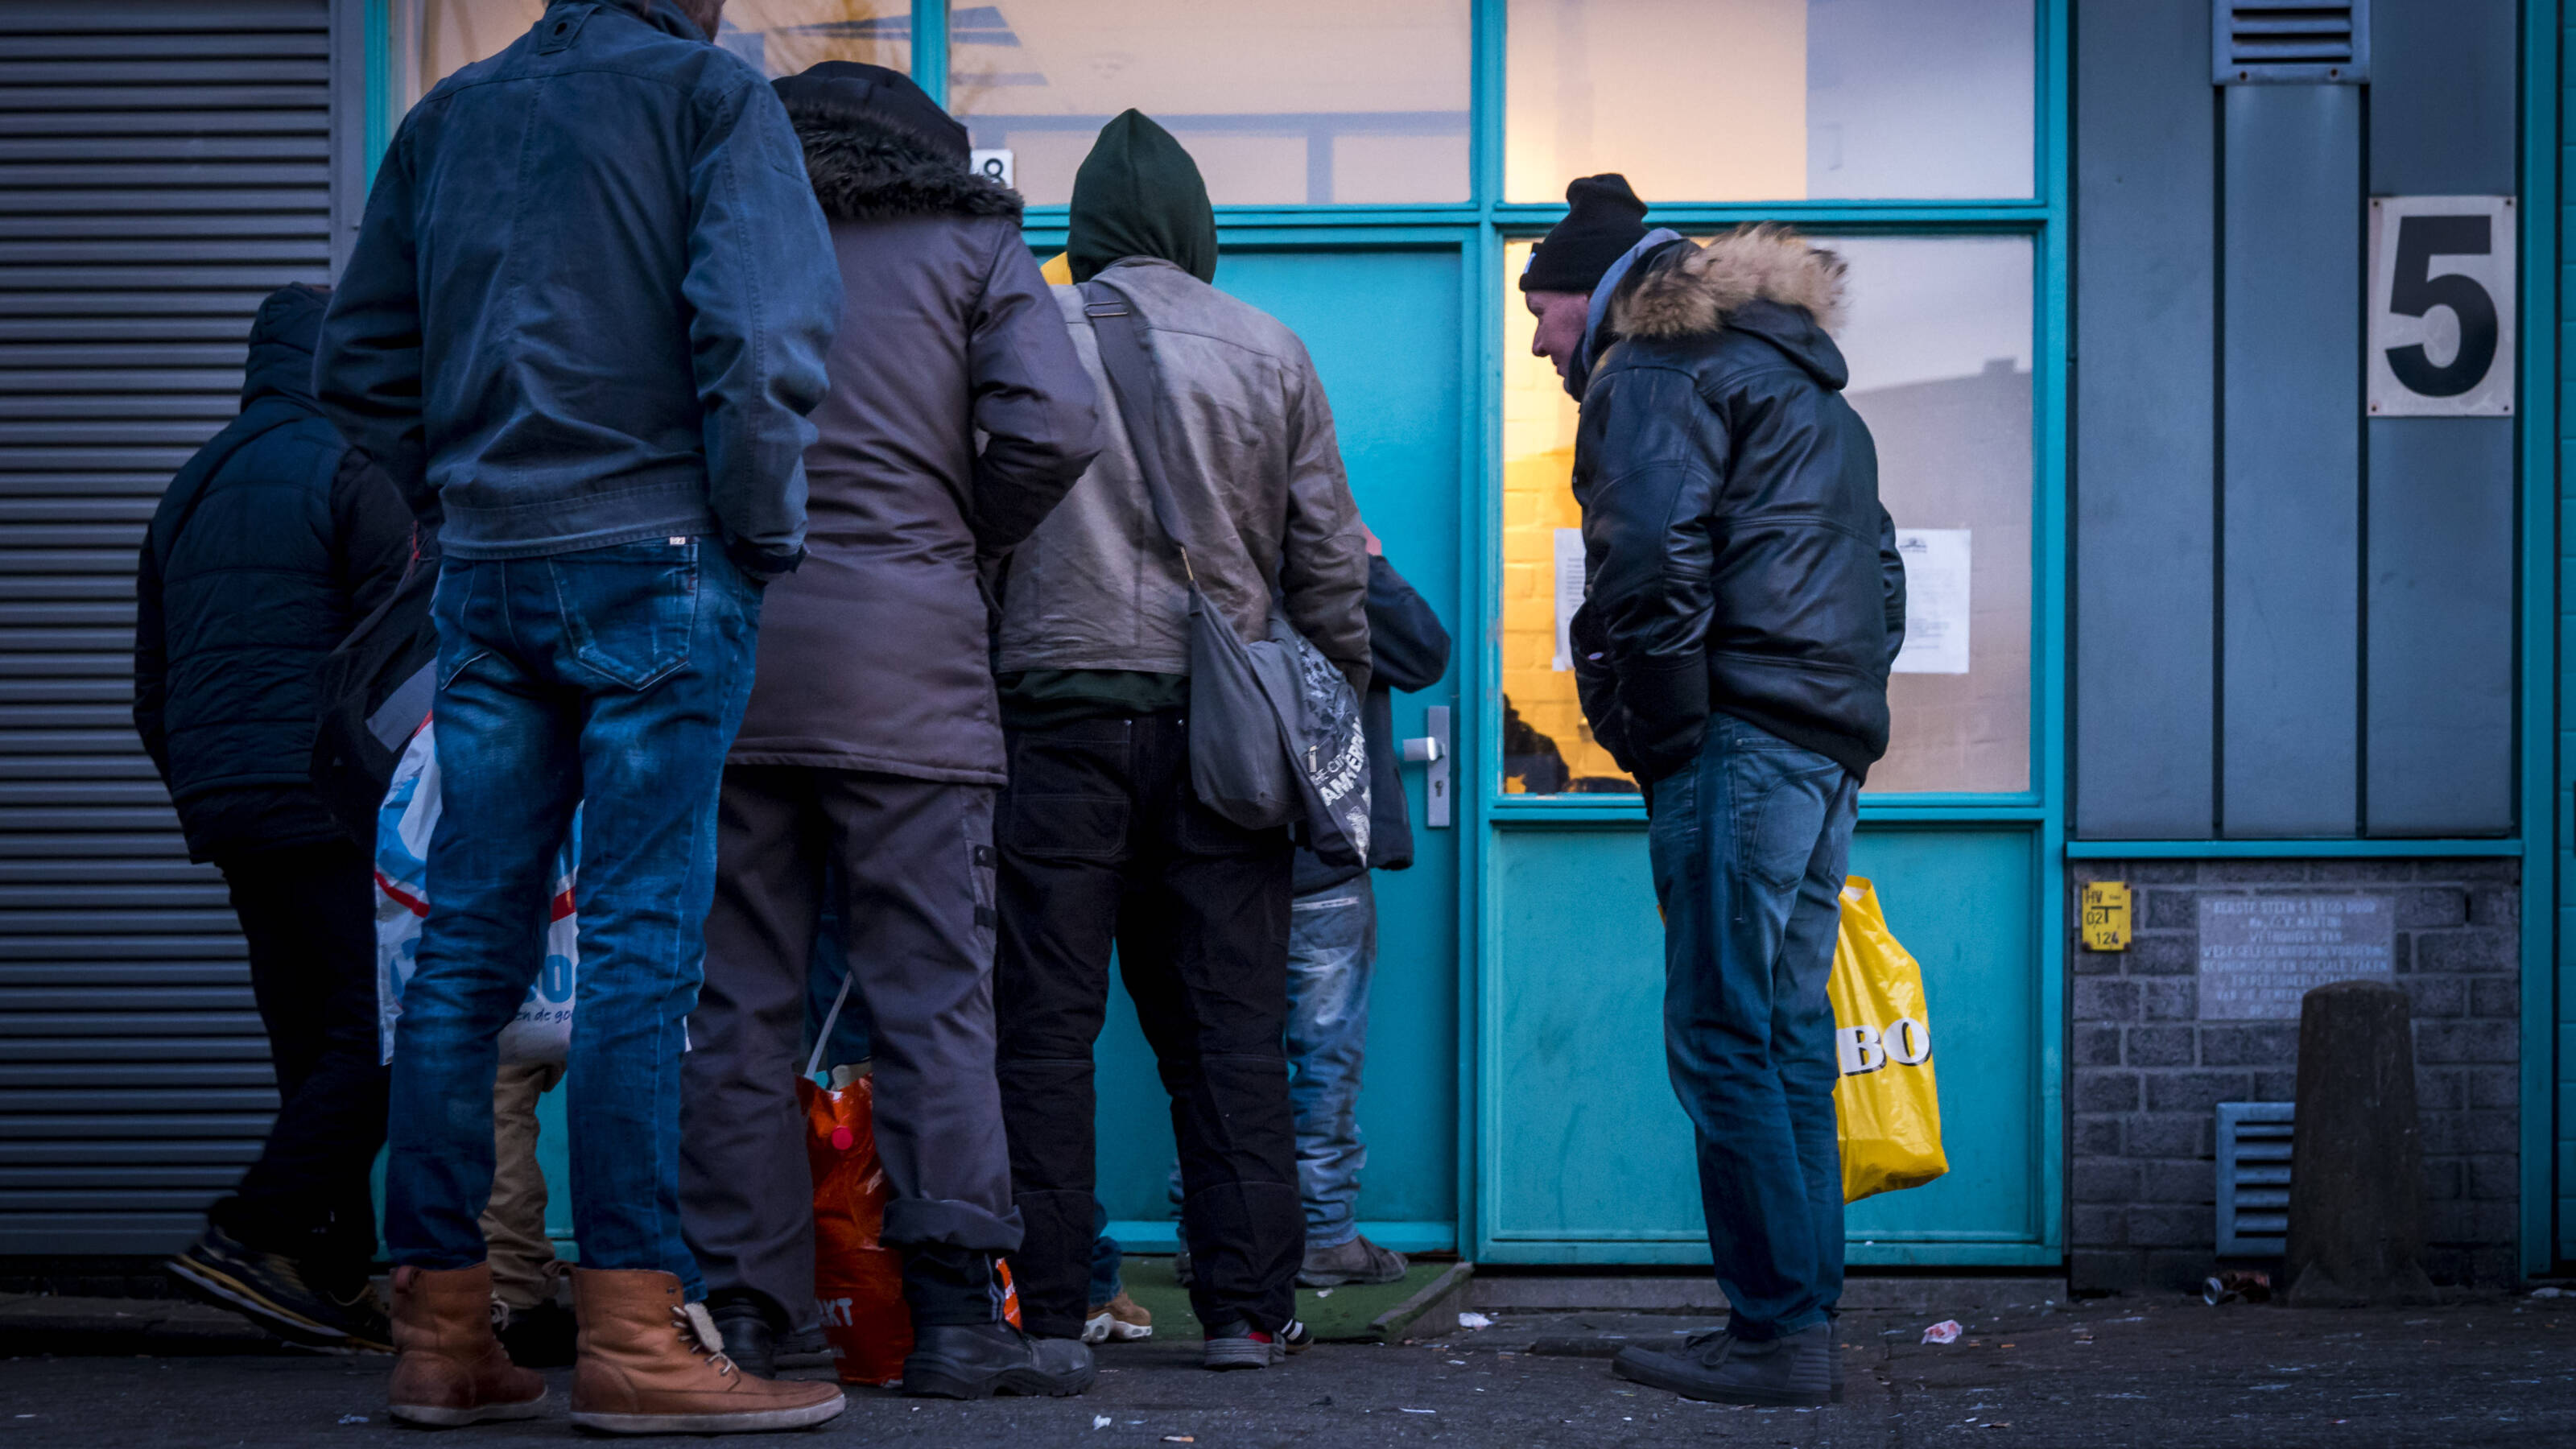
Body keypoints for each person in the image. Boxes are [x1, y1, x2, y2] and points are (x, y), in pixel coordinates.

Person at [315, 0, 844, 1431]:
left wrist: (467, 507)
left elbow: (356, 367)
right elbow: (763, 338)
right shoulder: (711, 102)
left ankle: (439, 1335)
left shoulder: (448, 116)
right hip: (661, 555)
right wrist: (749, 533)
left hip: (491, 567)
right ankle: (633, 1336)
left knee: (466, 953)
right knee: (639, 952)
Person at [677, 60, 1103, 1400]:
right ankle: (961, 1324)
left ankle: (753, 1319)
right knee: (934, 999)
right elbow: (1056, 424)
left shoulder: (719, 231)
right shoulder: (974, 242)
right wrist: (956, 538)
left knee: (736, 1002)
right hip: (913, 680)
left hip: (734, 659)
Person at [990, 109, 1371, 1373]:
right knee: (1227, 1036)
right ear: (1197, 233)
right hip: (1223, 747)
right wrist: (1328, 718)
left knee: (1041, 1034)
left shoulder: (1024, 334)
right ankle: (1249, 1315)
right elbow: (1327, 568)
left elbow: (973, 528)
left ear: (1086, 234)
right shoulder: (1270, 349)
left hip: (1053, 728)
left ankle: (1047, 1315)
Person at [1528, 175, 1905, 1408]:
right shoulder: (1806, 390)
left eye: (1544, 306)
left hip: (1736, 743)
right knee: (1785, 1031)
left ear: (1604, 290)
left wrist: (1663, 733)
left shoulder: (1658, 369)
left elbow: (1645, 560)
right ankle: (1798, 1314)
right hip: (1819, 742)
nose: (1538, 338)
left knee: (1725, 1034)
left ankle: (1776, 1335)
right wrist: (1833, 709)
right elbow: (1883, 580)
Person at [140, 282, 413, 1352]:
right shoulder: (354, 466)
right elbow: (398, 650)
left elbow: (150, 685)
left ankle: (328, 1276)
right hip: (327, 797)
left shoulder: (190, 486)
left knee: (315, 1036)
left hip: (230, 804)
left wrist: (204, 786)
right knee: (390, 1036)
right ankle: (251, 1232)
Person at [1173, 530, 1451, 1290]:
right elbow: (1422, 653)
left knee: (1215, 1050)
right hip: (1316, 847)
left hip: (1223, 844)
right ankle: (1323, 1231)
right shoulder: (1332, 569)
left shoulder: (1192, 558)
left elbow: (1424, 655)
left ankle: (1215, 1235)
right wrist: (1366, 557)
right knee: (1320, 1061)